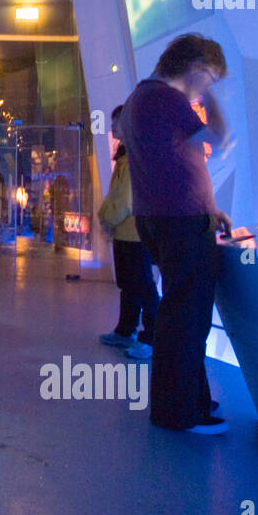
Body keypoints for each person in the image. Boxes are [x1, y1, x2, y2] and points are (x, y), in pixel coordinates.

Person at [119, 34, 234, 435]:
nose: (208, 85)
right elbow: (220, 138)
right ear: (197, 68)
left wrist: (208, 208)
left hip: (162, 217)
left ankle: (190, 401)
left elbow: (170, 162)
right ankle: (179, 412)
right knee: (187, 318)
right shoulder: (167, 99)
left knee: (178, 313)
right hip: (181, 222)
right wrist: (210, 98)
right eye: (209, 76)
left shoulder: (139, 99)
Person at [97, 105, 159, 360]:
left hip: (135, 233)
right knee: (130, 284)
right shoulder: (127, 156)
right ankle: (126, 329)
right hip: (125, 232)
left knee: (143, 285)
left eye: (116, 123)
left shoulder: (135, 158)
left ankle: (152, 337)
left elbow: (125, 200)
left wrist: (106, 218)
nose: (112, 129)